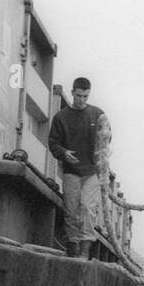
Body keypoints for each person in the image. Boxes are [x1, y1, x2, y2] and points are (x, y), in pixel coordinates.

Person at [48, 77, 112, 259]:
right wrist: (63, 152)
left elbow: (106, 139)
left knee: (87, 208)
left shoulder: (97, 114)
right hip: (71, 172)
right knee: (71, 212)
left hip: (91, 172)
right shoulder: (61, 117)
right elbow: (53, 143)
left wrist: (104, 141)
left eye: (85, 96)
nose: (82, 99)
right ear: (72, 92)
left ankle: (84, 253)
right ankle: (72, 251)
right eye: (78, 96)